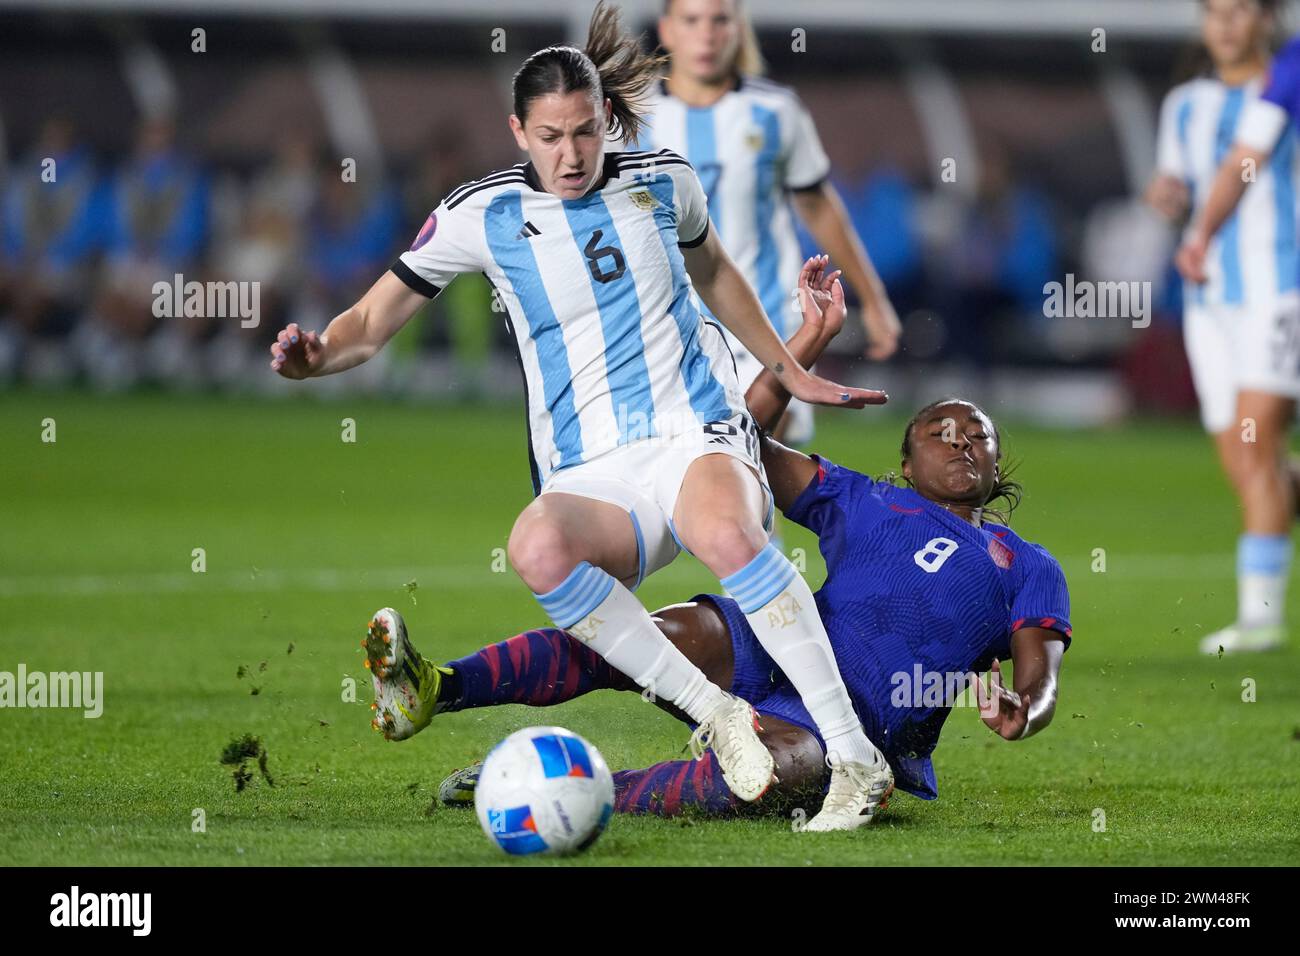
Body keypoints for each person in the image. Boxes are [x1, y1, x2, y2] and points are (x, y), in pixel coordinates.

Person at [272, 2, 893, 830]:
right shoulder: (478, 215)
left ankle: (857, 759)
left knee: (725, 532)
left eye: (585, 132)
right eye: (551, 136)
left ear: (607, 119)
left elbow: (719, 279)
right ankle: (717, 716)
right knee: (534, 545)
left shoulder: (662, 180)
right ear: (518, 132)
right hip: (592, 467)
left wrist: (788, 367)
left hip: (693, 426)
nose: (571, 154)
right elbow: (369, 324)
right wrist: (318, 356)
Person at [367, 256, 1071, 820]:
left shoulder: (1028, 565)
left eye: (976, 433)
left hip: (853, 725)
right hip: (768, 649)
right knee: (648, 635)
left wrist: (1024, 709)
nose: (959, 443)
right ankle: (436, 686)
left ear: (997, 458)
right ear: (906, 461)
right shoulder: (866, 500)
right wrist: (805, 349)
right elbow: (740, 439)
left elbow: (1040, 679)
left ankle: (574, 791)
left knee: (787, 766)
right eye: (938, 433)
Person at [629, 0, 901, 444]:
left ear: (738, 30)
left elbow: (817, 205)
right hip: (669, 324)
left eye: (720, 20)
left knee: (762, 454)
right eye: (691, 21)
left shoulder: (776, 111)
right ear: (668, 30)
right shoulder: (631, 115)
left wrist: (873, 299)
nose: (707, 34)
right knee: (683, 469)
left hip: (769, 321)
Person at [1163, 0, 1297, 654]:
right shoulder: (1184, 104)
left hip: (1279, 287)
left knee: (1259, 445)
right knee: (1243, 461)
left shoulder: (1289, 80)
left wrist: (1203, 228)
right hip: (1206, 300)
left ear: (1266, 18)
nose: (1225, 23)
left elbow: (1245, 167)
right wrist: (1166, 197)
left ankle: (1262, 618)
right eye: (1214, 10)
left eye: (1240, 9)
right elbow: (1175, 182)